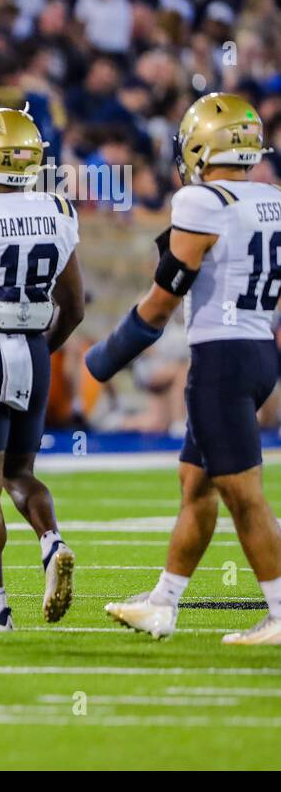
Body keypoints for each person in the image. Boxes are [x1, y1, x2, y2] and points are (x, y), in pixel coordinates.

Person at [89, 92, 281, 646]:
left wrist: (107, 357)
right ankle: (163, 602)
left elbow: (165, 296)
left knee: (244, 495)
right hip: (256, 349)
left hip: (221, 359)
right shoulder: (271, 197)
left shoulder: (202, 201)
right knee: (196, 487)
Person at [0, 108, 84, 631]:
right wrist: (42, 349)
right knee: (20, 473)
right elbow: (74, 306)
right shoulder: (58, 206)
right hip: (34, 345)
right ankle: (51, 539)